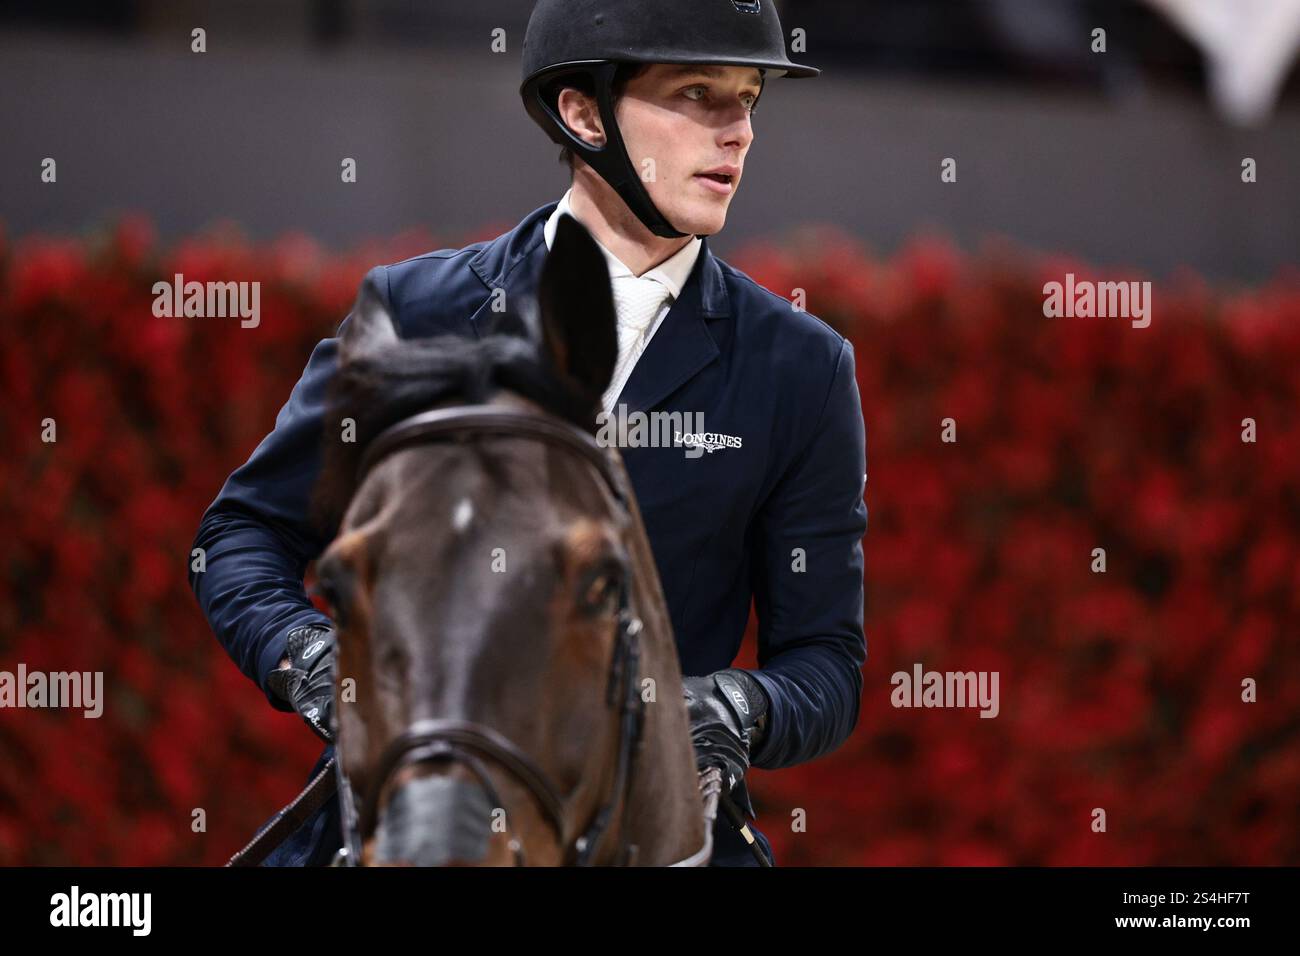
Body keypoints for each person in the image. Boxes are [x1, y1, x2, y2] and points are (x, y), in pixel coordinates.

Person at [189, 0, 867, 867]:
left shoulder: (801, 368)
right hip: (414, 817)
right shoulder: (415, 312)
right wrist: (317, 663)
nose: (736, 131)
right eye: (698, 94)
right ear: (582, 113)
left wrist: (732, 708)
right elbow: (241, 535)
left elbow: (826, 663)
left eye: (747, 100)